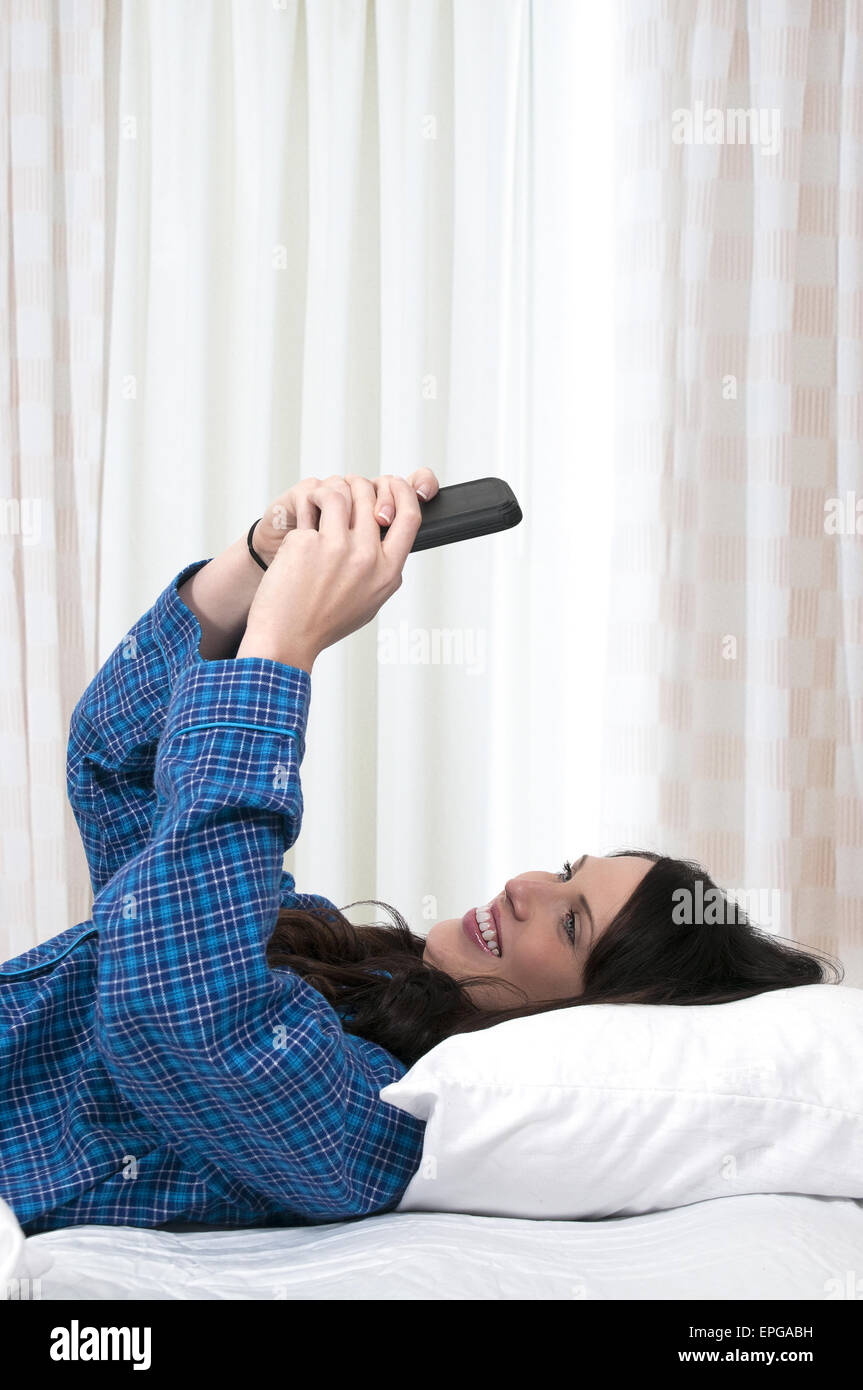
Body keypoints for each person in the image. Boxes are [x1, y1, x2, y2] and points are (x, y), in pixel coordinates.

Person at [0, 472, 840, 1236]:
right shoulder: (324, 951)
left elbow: (180, 1011)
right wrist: (257, 564)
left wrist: (284, 648)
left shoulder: (372, 1127)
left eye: (572, 924)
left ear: (600, 1019)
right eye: (560, 874)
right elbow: (115, 767)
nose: (522, 888)